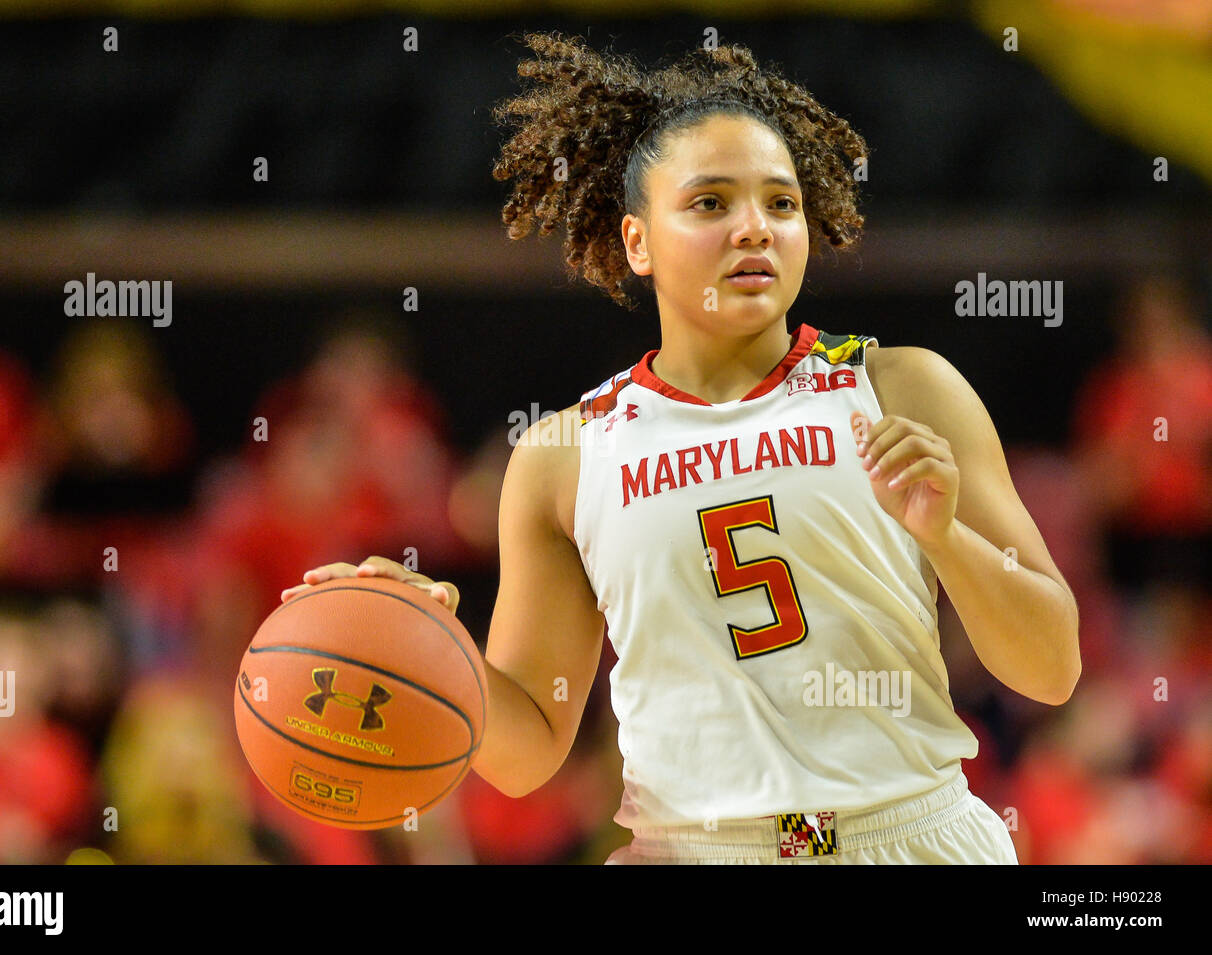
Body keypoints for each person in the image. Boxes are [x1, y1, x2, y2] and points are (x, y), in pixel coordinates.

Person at [280, 33, 1081, 864]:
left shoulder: (905, 388)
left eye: (781, 202)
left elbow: (1053, 668)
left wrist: (946, 537)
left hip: (908, 836)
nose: (754, 229)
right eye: (710, 203)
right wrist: (421, 642)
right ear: (636, 242)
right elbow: (528, 752)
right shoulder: (565, 455)